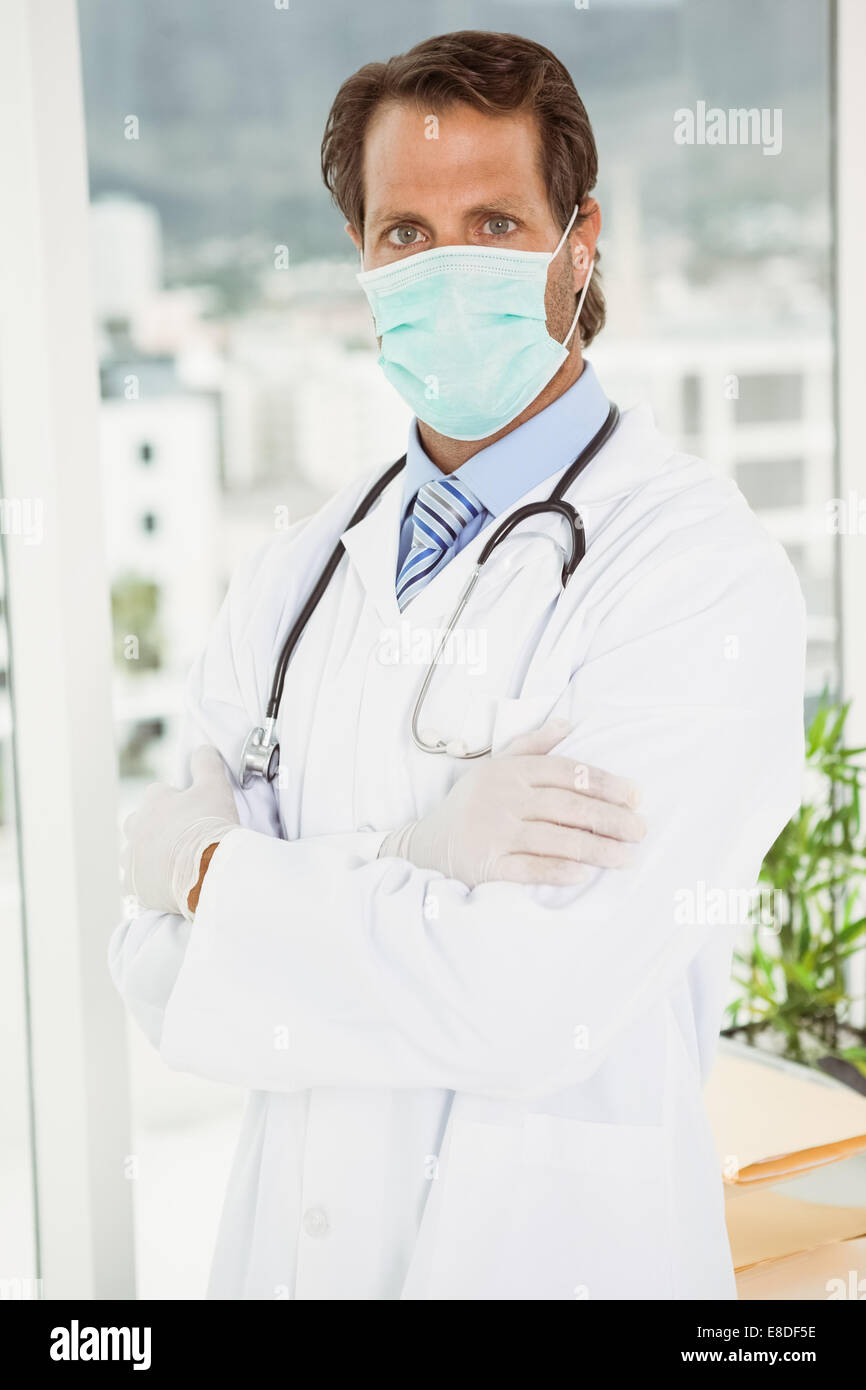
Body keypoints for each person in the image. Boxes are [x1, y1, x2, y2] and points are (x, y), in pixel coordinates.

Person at [112, 30, 805, 1300]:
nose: (445, 269)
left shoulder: (696, 575)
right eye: (405, 234)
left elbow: (524, 999)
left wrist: (214, 871)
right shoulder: (294, 574)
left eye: (494, 222)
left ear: (579, 241)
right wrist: (416, 864)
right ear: (362, 262)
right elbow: (154, 974)